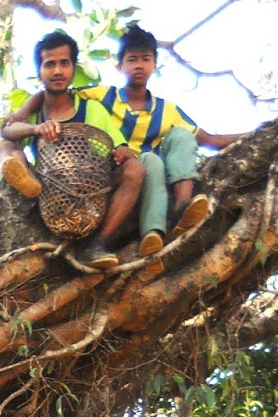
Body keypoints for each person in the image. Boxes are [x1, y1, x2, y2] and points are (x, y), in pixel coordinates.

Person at [14, 25, 244, 257]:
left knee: (179, 138)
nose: (139, 66)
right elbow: (54, 92)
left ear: (155, 65)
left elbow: (210, 139)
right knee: (147, 162)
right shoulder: (103, 96)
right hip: (114, 172)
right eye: (132, 59)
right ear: (120, 65)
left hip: (151, 178)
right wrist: (24, 115)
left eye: (146, 59)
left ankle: (182, 206)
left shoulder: (166, 110)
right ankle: (150, 233)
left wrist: (255, 135)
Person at [0, 30, 145, 272]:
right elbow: (7, 131)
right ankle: (23, 174)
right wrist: (37, 128)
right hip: (49, 188)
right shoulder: (35, 112)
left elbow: (117, 148)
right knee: (5, 143)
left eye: (64, 63)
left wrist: (121, 153)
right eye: (50, 64)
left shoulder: (91, 110)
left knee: (136, 169)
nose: (57, 71)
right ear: (39, 72)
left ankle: (97, 244)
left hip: (88, 191)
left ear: (73, 68)